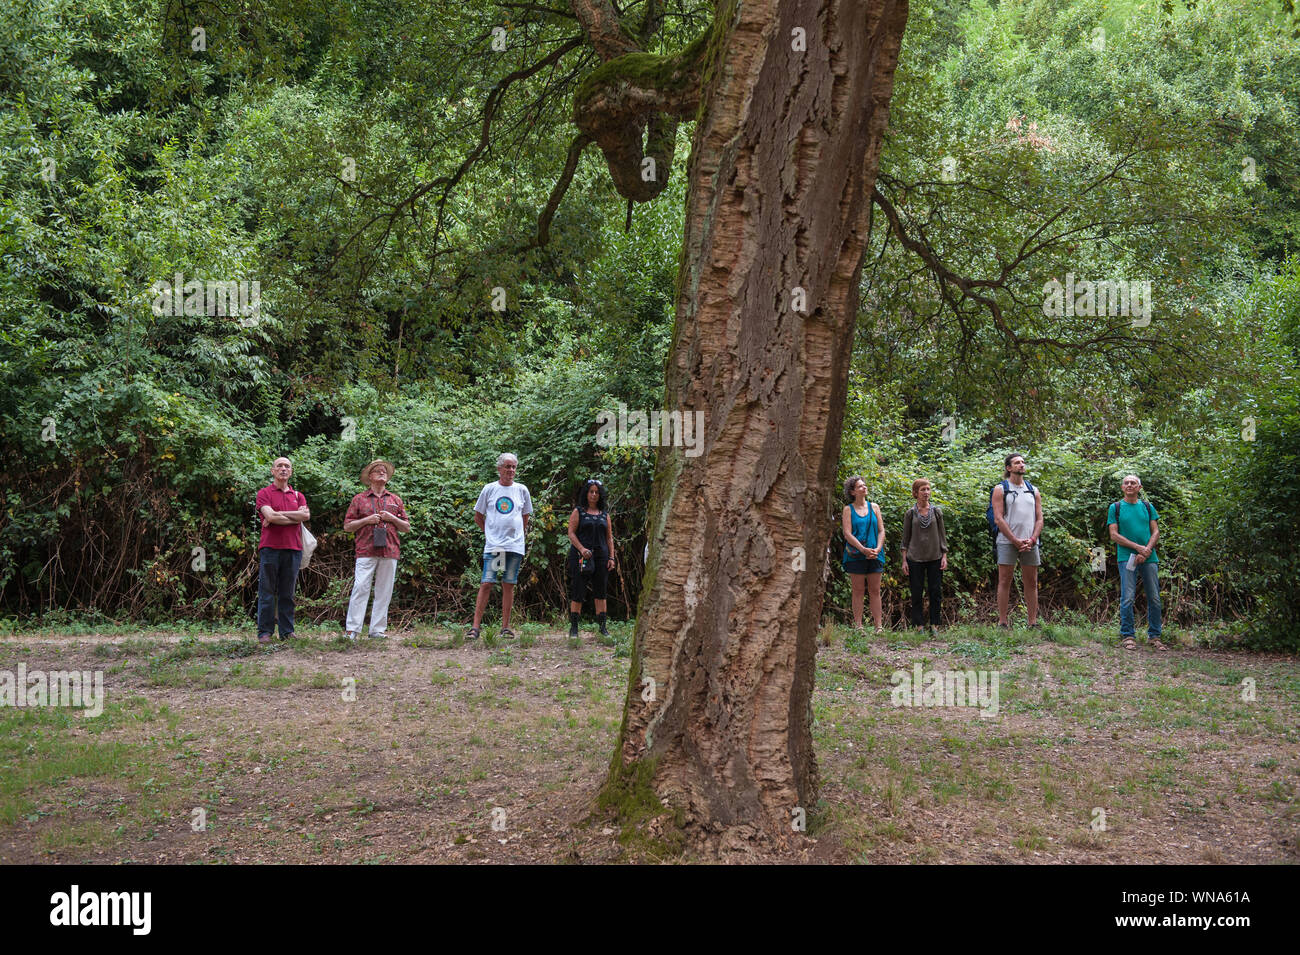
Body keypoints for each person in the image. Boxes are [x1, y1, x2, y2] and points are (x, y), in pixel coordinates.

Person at [342, 459, 411, 640]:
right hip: (365, 550)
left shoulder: (396, 500)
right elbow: (348, 526)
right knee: (360, 588)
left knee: (384, 591)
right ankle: (352, 630)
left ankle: (377, 630)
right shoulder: (359, 499)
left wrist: (391, 518)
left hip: (390, 550)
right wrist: (366, 520)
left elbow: (406, 527)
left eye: (384, 471)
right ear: (370, 477)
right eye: (378, 471)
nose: (382, 473)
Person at [470, 453, 532, 641]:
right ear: (499, 468)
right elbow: (478, 516)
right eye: (507, 466)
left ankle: (505, 627)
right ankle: (475, 628)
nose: (510, 470)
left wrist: (517, 536)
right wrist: (490, 534)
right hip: (495, 546)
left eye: (513, 467)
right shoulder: (489, 489)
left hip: (514, 546)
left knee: (509, 584)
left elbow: (525, 516)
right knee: (487, 583)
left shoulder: (522, 490)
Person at [1108, 474, 1166, 652]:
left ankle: (1154, 636)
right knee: (1127, 597)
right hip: (1126, 557)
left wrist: (1146, 550)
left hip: (1150, 557)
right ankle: (1128, 636)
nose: (1130, 485)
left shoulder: (1148, 507)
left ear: (1139, 488)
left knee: (1154, 597)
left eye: (1133, 483)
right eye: (1126, 483)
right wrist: (1137, 548)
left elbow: (1155, 531)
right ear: (1122, 487)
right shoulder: (1115, 507)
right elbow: (1114, 535)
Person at [255, 457, 311, 644]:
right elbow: (269, 515)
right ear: (273, 471)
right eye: (279, 466)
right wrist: (292, 517)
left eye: (287, 466)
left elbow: (305, 516)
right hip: (270, 548)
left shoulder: (298, 496)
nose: (283, 469)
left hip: (294, 548)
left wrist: (277, 516)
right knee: (267, 591)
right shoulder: (264, 493)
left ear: (291, 472)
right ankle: (265, 633)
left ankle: (287, 632)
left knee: (288, 593)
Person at [992, 453, 1043, 628]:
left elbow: (1040, 518)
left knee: (1031, 581)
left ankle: (1032, 622)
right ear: (1009, 468)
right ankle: (1003, 622)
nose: (1021, 465)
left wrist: (1033, 538)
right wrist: (1014, 540)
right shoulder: (1001, 489)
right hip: (1007, 542)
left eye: (1022, 462)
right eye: (1017, 463)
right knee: (1005, 580)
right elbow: (998, 519)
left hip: (1030, 542)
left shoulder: (1033, 490)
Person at [566, 478, 616, 639]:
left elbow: (609, 538)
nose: (594, 495)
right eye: (591, 492)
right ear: (586, 494)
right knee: (578, 589)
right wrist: (581, 549)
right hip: (581, 556)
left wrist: (612, 557)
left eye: (596, 492)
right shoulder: (578, 511)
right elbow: (571, 533)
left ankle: (602, 627)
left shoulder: (605, 515)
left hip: (601, 556)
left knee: (601, 590)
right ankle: (574, 628)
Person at [900, 478, 948, 633]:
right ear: (915, 493)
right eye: (923, 490)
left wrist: (944, 556)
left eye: (928, 489)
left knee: (935, 592)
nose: (926, 493)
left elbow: (942, 535)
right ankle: (919, 625)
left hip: (935, 557)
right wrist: (904, 560)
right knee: (916, 592)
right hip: (915, 558)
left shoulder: (937, 512)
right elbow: (905, 538)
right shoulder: (910, 514)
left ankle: (934, 625)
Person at [842, 476, 885, 632]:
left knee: (875, 590)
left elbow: (881, 530)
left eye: (864, 485)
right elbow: (847, 534)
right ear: (853, 492)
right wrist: (863, 549)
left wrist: (878, 549)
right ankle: (859, 626)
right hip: (856, 556)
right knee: (858, 591)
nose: (864, 487)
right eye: (860, 486)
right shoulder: (848, 509)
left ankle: (878, 626)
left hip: (875, 554)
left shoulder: (874, 507)